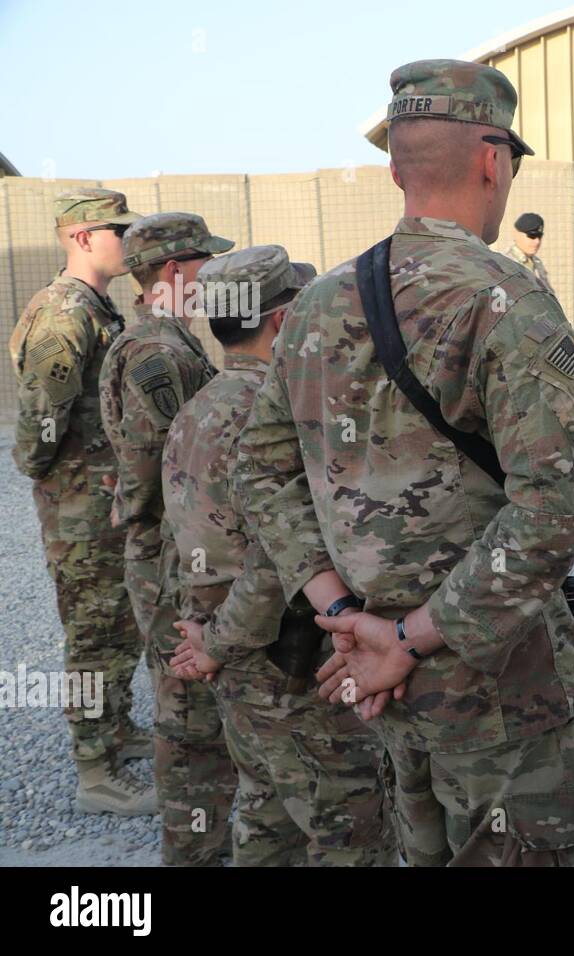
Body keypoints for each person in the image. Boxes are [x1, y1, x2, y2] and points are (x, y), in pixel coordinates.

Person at [234, 59, 574, 867]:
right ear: (491, 159)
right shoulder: (507, 301)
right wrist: (408, 635)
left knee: (418, 843)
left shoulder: (318, 303)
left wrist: (341, 614)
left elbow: (258, 469)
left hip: (370, 672)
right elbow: (550, 509)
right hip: (490, 682)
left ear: (397, 169)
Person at [161, 245, 395, 866]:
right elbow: (276, 557)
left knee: (268, 813)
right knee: (350, 829)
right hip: (286, 665)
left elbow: (180, 542)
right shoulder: (276, 413)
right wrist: (218, 642)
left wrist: (201, 633)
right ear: (281, 321)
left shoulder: (195, 410)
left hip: (235, 666)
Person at [99, 212, 238, 865]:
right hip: (169, 558)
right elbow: (164, 467)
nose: (211, 274)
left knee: (194, 706)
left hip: (173, 552)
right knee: (187, 718)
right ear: (176, 270)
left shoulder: (165, 342)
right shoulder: (159, 352)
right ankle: (194, 849)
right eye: (204, 263)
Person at [9, 189, 153, 814]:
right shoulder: (67, 313)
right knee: (95, 635)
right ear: (83, 237)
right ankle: (95, 771)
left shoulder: (93, 306)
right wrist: (53, 475)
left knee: (117, 628)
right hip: (82, 508)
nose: (127, 241)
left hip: (102, 501)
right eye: (116, 230)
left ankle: (115, 732)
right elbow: (42, 418)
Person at [505, 212, 554, 295]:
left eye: (539, 236)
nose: (537, 242)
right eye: (532, 236)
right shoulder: (506, 262)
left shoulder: (536, 262)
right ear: (517, 235)